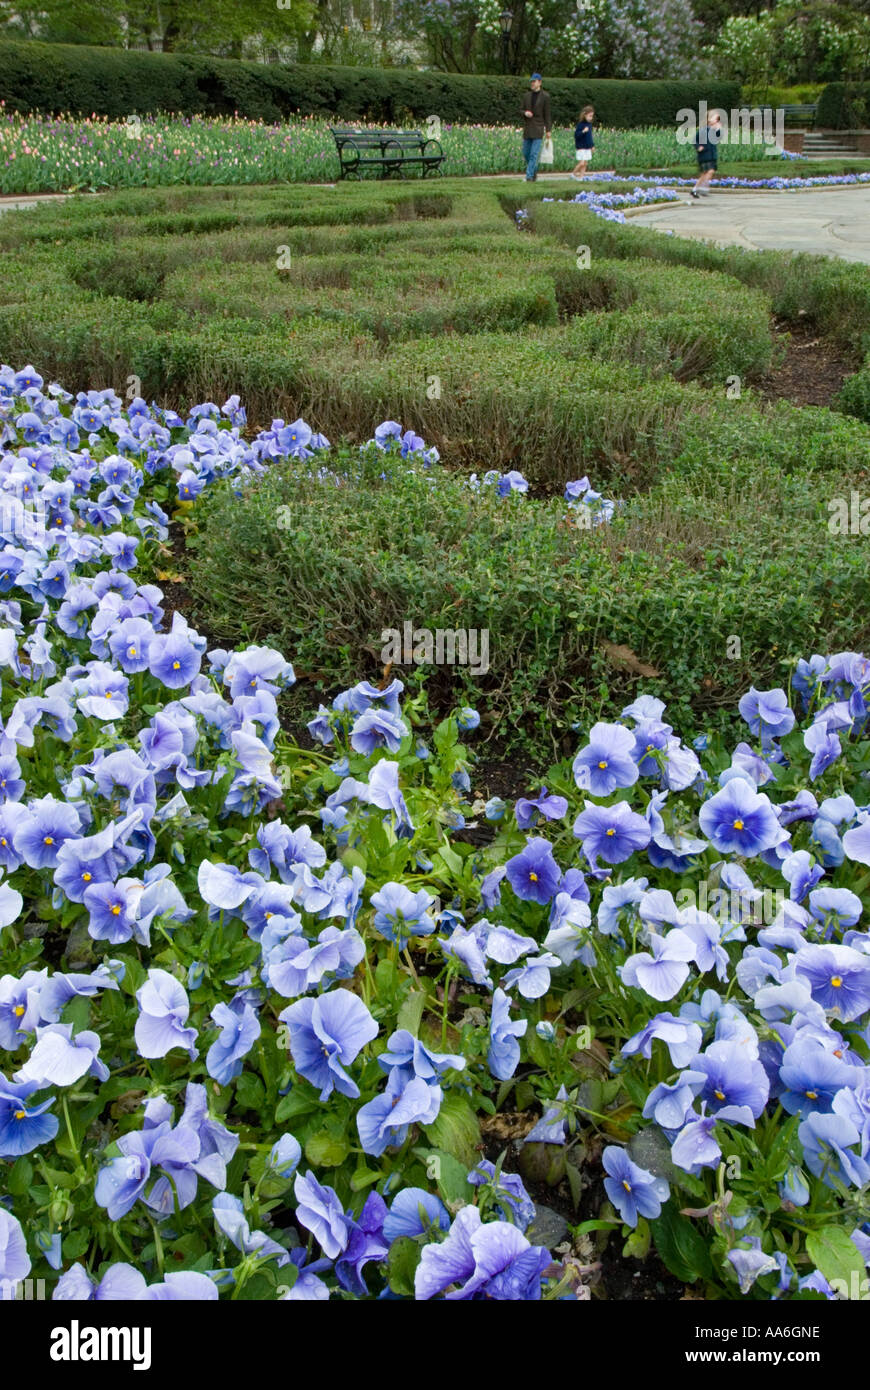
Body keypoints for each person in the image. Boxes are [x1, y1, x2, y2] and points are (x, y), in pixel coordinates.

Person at [521, 73, 552, 182]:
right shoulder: (526, 96)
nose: (532, 84)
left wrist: (548, 130)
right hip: (528, 128)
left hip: (538, 128)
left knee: (534, 154)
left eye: (534, 81)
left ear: (540, 82)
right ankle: (534, 172)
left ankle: (529, 177)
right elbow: (520, 110)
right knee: (526, 153)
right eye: (531, 82)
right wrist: (525, 113)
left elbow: (547, 115)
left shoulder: (545, 97)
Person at [691, 109, 722, 199]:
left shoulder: (714, 130)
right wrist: (698, 147)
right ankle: (702, 188)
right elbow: (695, 140)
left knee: (705, 174)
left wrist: (719, 129)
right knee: (709, 171)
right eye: (715, 118)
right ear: (709, 120)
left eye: (717, 119)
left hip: (711, 155)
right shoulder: (703, 130)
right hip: (704, 154)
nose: (716, 120)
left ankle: (695, 190)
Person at [572, 105, 595, 179]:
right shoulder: (580, 125)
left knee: (585, 163)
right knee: (581, 163)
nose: (591, 118)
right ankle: (573, 174)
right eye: (589, 116)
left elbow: (590, 137)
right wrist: (583, 131)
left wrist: (592, 146)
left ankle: (581, 177)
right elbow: (576, 135)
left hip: (587, 147)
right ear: (585, 115)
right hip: (581, 147)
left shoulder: (589, 125)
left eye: (592, 116)